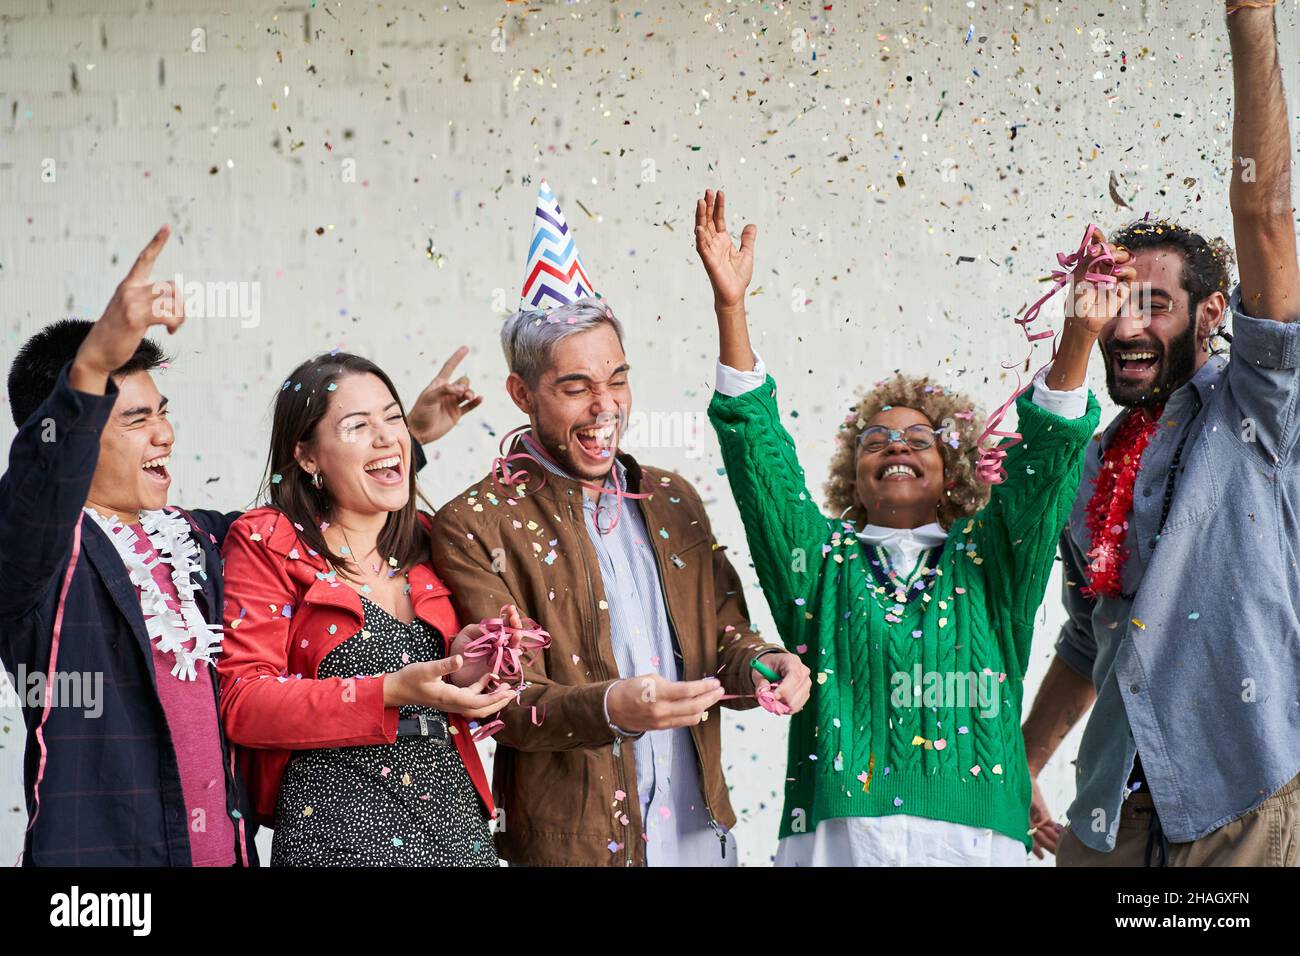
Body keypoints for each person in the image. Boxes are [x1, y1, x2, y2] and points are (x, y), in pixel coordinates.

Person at [697, 189, 1119, 865]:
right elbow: (759, 459)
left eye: (919, 439)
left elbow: (1047, 466)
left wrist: (1079, 334)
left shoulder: (992, 561)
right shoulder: (820, 561)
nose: (896, 445)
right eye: (876, 440)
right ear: (853, 475)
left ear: (953, 471)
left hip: (977, 841)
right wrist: (730, 307)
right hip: (838, 840)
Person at [427, 181, 811, 866]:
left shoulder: (672, 497)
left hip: (699, 836)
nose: (605, 406)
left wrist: (764, 666)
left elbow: (727, 637)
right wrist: (611, 709)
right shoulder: (473, 523)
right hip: (573, 849)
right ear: (523, 393)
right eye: (575, 388)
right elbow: (503, 701)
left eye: (618, 380)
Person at [1022, 0, 1300, 867]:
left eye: (1156, 303)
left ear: (1212, 314)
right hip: (1110, 811)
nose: (1128, 325)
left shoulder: (1259, 408)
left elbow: (1265, 218)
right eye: (1115, 303)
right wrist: (1016, 765)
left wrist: (1251, 22)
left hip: (1241, 798)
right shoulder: (1092, 458)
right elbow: (1085, 638)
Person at [0, 227, 256, 865]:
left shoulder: (199, 538)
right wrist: (89, 367)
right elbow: (38, 487)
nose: (165, 434)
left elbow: (304, 527)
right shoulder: (39, 557)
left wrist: (400, 440)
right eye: (137, 420)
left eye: (162, 412)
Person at [217, 350, 517, 866]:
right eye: (357, 425)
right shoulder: (267, 540)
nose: (386, 437)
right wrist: (390, 691)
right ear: (307, 457)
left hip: (454, 823)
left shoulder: (429, 539)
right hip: (336, 829)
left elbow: (441, 683)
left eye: (393, 418)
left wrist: (471, 663)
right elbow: (243, 703)